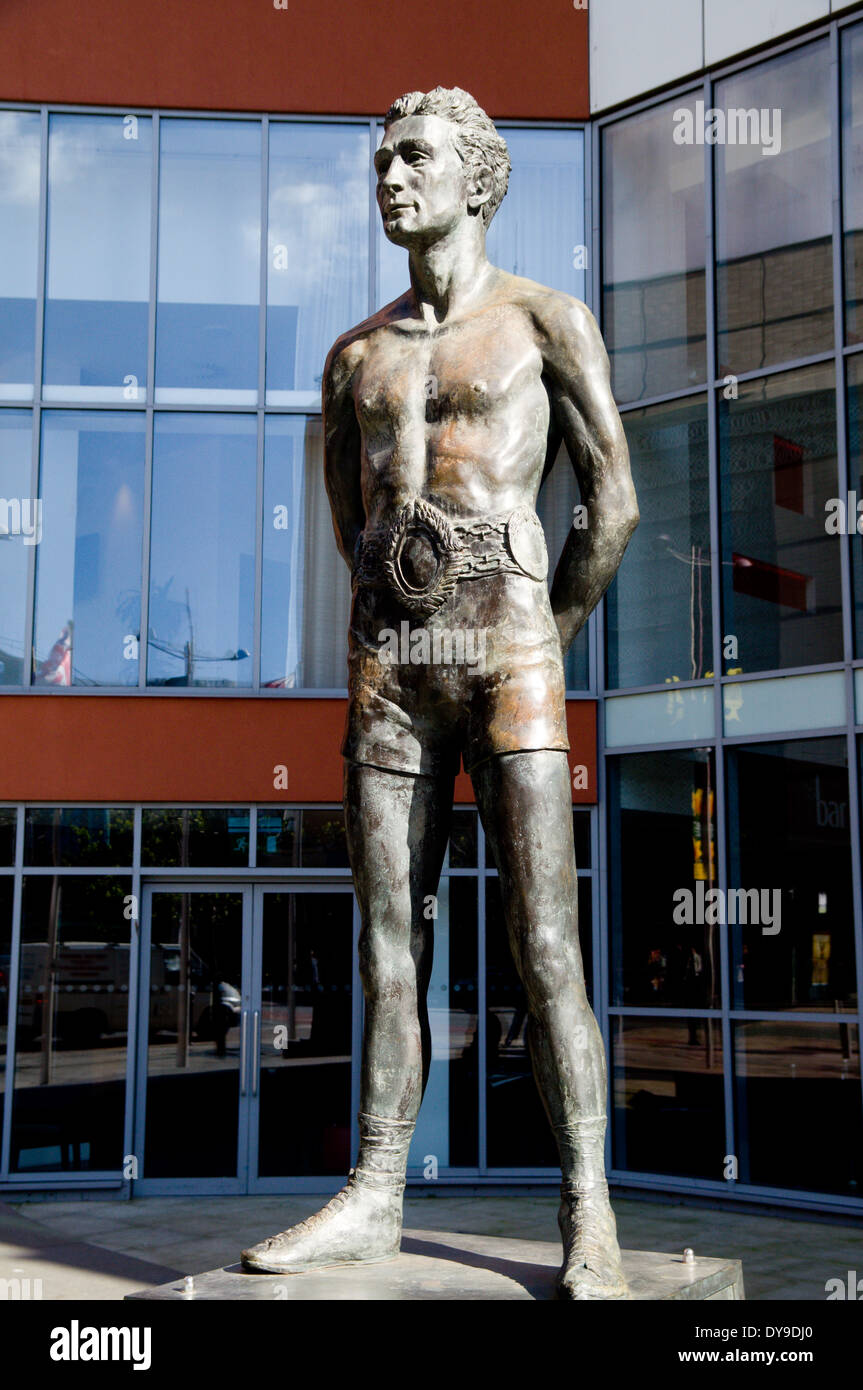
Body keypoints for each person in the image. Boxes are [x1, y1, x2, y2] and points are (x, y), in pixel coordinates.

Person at [242, 85, 638, 1299]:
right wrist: (402, 625)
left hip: (509, 654)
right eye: (381, 161)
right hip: (389, 672)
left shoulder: (544, 322)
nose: (391, 177)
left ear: (477, 176)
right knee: (384, 941)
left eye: (414, 156)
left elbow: (612, 506)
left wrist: (539, 641)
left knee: (544, 942)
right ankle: (373, 1189)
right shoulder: (352, 357)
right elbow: (349, 521)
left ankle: (587, 1208)